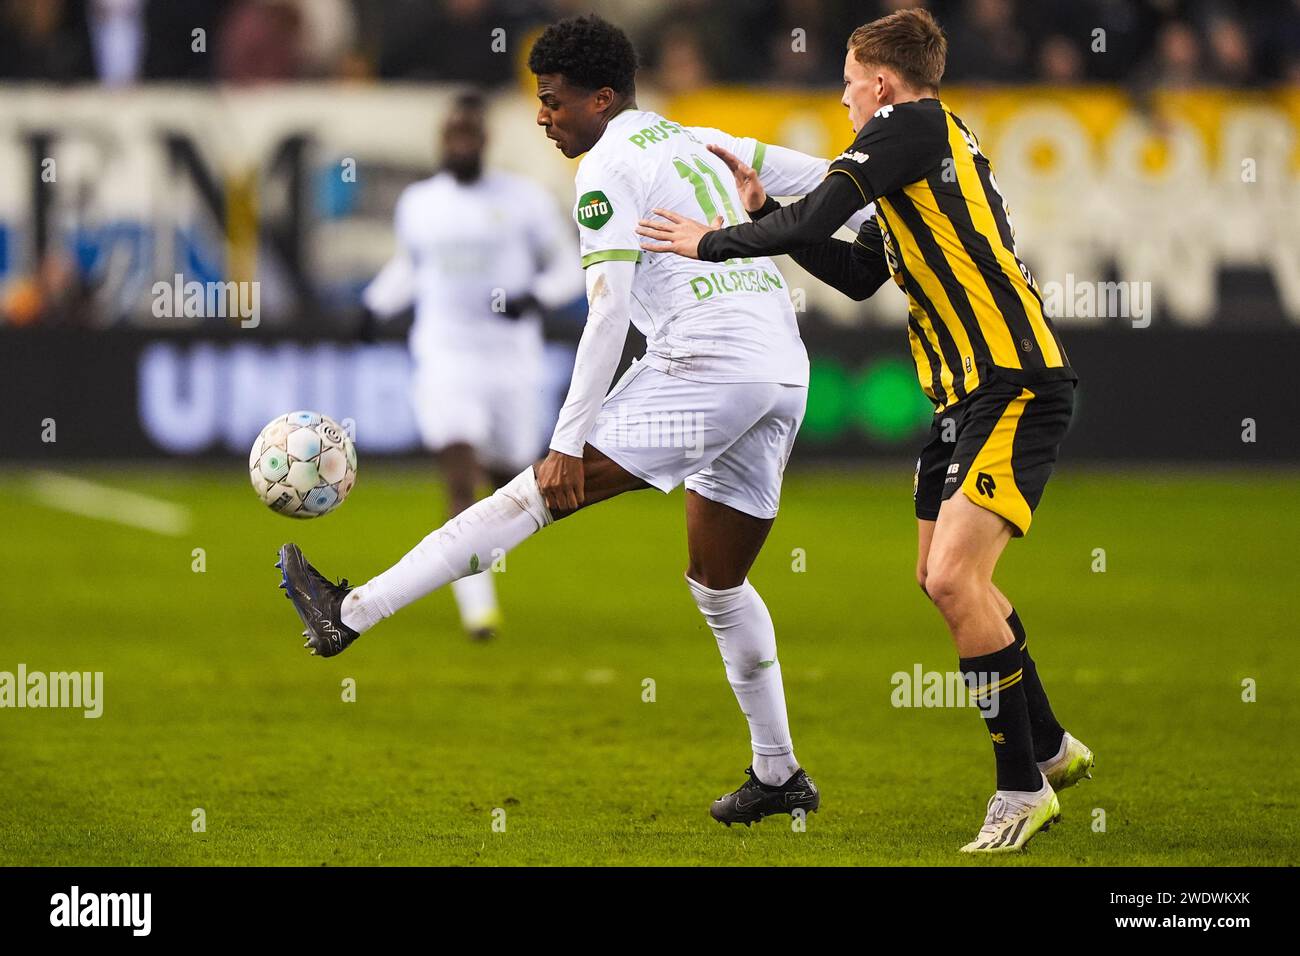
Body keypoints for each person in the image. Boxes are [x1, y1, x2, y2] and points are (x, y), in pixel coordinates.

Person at [276, 14, 868, 825]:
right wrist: (897, 228)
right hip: (780, 369)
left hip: (707, 362)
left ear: (600, 97)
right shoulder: (698, 137)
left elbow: (608, 308)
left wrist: (565, 443)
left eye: (552, 101)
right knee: (719, 584)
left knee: (530, 497)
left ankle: (350, 613)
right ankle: (779, 773)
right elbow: (837, 180)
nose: (542, 117)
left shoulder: (606, 167)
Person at [636, 7, 1093, 853]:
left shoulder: (907, 126)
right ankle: (1052, 744)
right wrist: (767, 208)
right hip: (962, 397)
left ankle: (1020, 787)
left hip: (1013, 381)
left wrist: (715, 241)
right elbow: (851, 272)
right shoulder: (921, 154)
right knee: (942, 578)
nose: (843, 99)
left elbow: (816, 222)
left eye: (847, 82)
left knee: (957, 580)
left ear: (880, 82)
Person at [360, 90, 584, 639]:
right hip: (445, 355)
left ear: (484, 140)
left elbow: (568, 268)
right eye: (451, 134)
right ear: (442, 140)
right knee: (460, 479)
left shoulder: (524, 200)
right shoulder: (420, 203)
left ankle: (470, 565)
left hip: (512, 363)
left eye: (469, 134)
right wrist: (373, 306)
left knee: (513, 486)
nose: (459, 143)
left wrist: (534, 297)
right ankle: (477, 610)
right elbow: (412, 268)